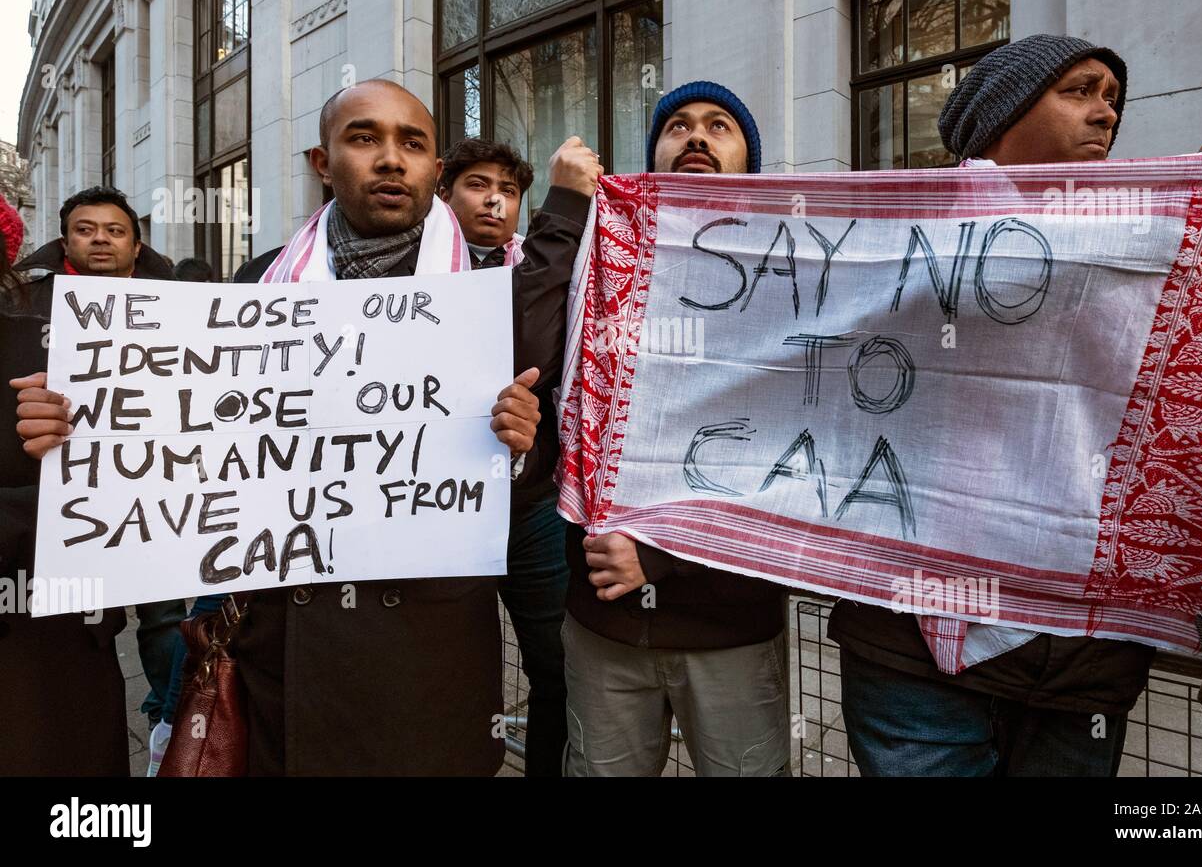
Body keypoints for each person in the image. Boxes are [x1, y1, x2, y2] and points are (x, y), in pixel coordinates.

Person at [14, 80, 543, 775]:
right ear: (322, 163)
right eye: (364, 138)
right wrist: (74, 427)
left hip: (429, 649)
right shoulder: (256, 286)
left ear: (434, 172)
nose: (391, 159)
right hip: (280, 643)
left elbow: (534, 482)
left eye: (412, 143)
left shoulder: (499, 290)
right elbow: (190, 443)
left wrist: (517, 444)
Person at [829, 33, 1187, 776]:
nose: (1105, 117)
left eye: (1112, 101)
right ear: (1001, 116)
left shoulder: (1150, 248)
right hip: (910, 658)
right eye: (1079, 91)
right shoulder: (897, 240)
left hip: (1081, 668)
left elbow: (1199, 423)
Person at [560, 81, 793, 777]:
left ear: (748, 159)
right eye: (678, 126)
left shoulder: (789, 273)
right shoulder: (599, 261)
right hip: (603, 625)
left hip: (730, 629)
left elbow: (795, 452)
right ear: (650, 155)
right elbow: (539, 361)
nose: (696, 135)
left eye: (719, 126)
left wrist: (658, 556)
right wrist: (565, 210)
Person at [438, 136, 598, 775]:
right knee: (450, 671)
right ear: (444, 194)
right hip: (439, 512)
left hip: (529, 507)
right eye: (478, 185)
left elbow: (533, 351)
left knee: (555, 666)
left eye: (508, 191)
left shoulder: (540, 267)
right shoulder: (413, 273)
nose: (495, 200)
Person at [0, 205, 131, 775]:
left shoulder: (33, 345)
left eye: (115, 230)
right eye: (86, 229)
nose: (100, 241)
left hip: (50, 648)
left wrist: (72, 443)